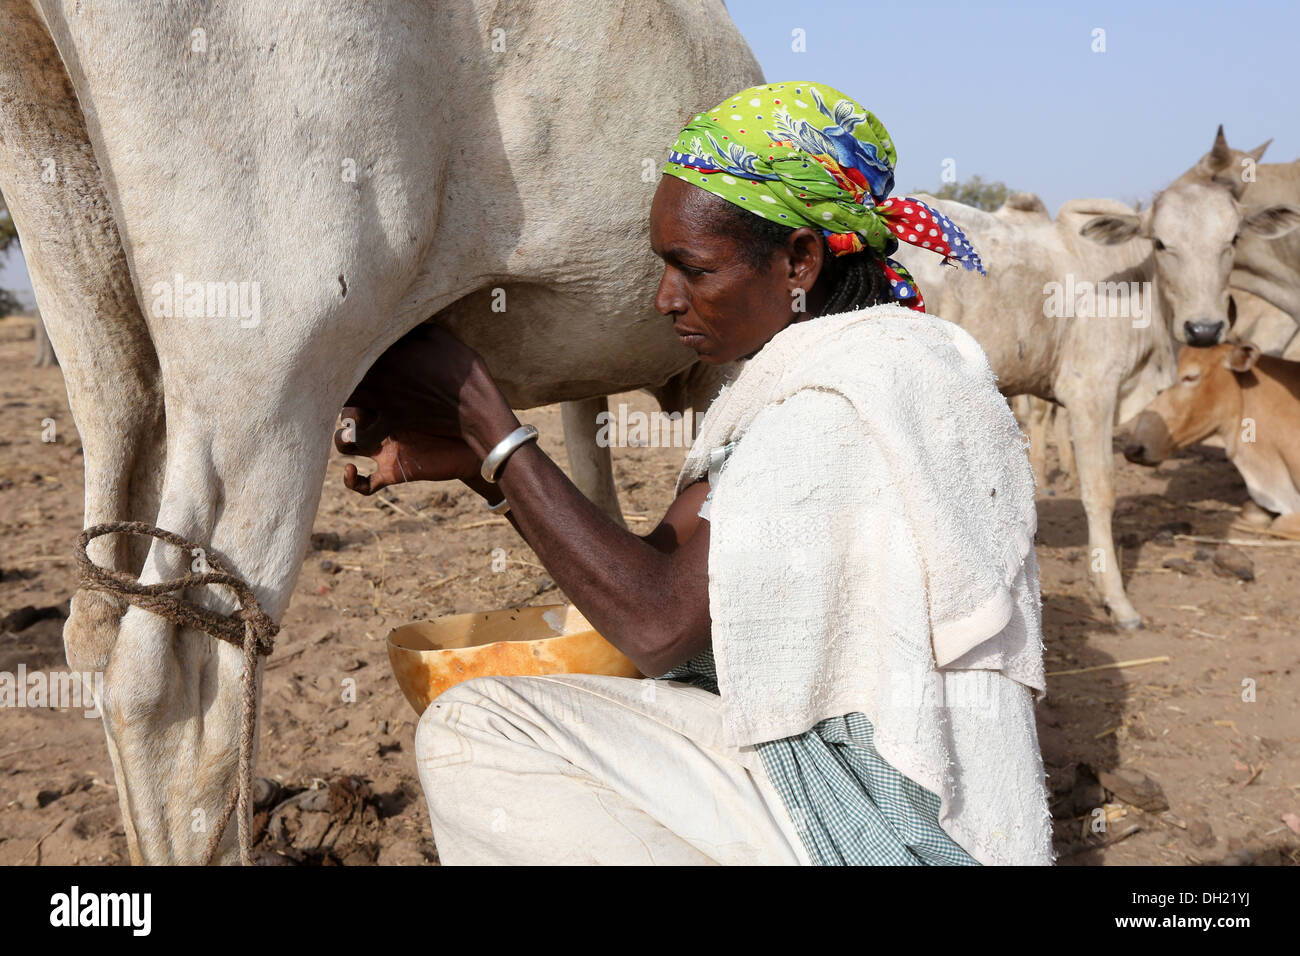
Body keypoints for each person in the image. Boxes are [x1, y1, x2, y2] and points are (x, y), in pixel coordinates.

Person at [336, 82, 1053, 866]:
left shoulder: (836, 409)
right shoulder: (853, 374)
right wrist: (486, 464)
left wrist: (483, 410)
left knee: (477, 728)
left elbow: (657, 626)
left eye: (695, 269)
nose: (664, 298)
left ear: (800, 260)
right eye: (663, 267)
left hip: (883, 820)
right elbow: (652, 574)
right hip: (847, 782)